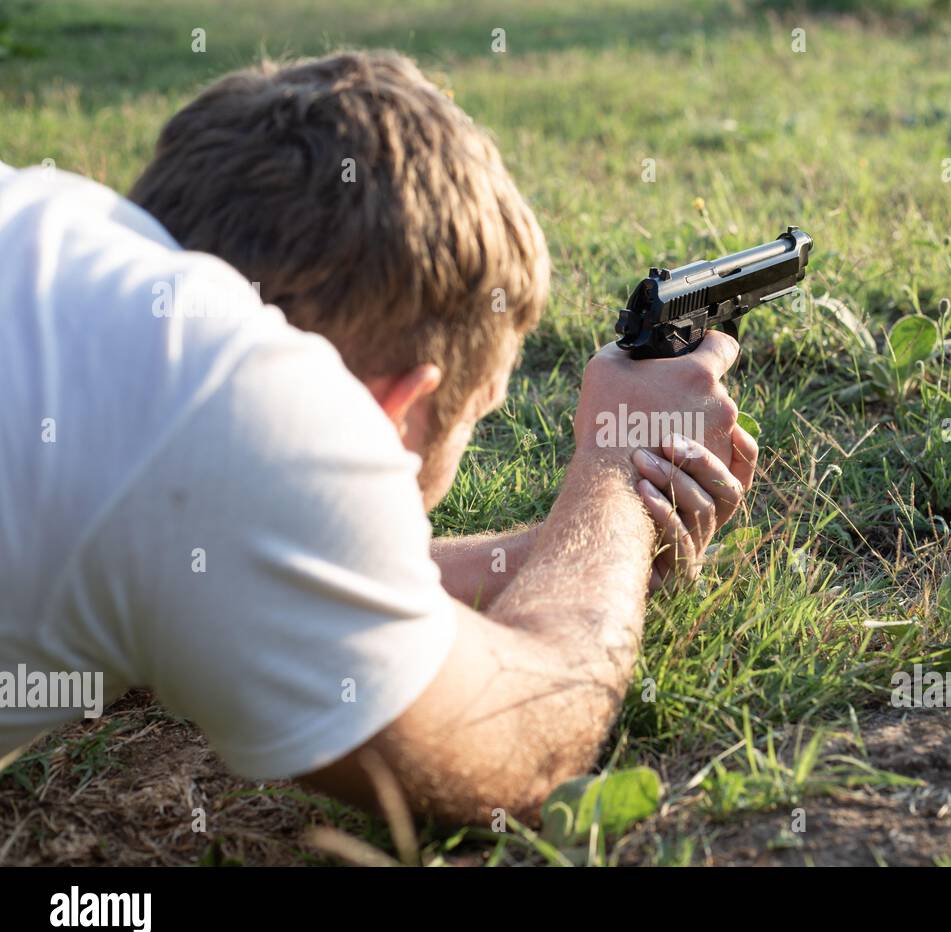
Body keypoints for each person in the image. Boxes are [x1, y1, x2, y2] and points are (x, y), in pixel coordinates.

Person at [0, 50, 756, 822]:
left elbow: (243, 552)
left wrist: (559, 554)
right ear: (392, 408)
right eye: (474, 415)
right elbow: (522, 737)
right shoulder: (234, 411)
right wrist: (619, 463)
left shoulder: (56, 232)